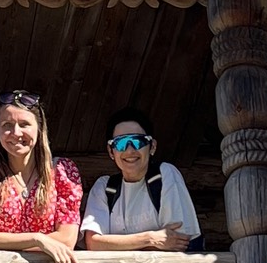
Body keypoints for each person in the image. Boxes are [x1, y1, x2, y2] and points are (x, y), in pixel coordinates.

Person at [0, 89, 83, 263]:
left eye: (24, 124)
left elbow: (67, 238)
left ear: (39, 127)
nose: (15, 132)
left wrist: (7, 243)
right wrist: (38, 240)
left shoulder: (62, 171)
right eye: (7, 125)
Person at [80, 107, 200, 252]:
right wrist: (150, 238)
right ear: (111, 151)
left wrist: (115, 245)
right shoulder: (104, 187)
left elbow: (177, 242)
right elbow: (94, 243)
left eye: (138, 142)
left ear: (152, 147)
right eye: (120, 143)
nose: (130, 150)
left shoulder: (164, 174)